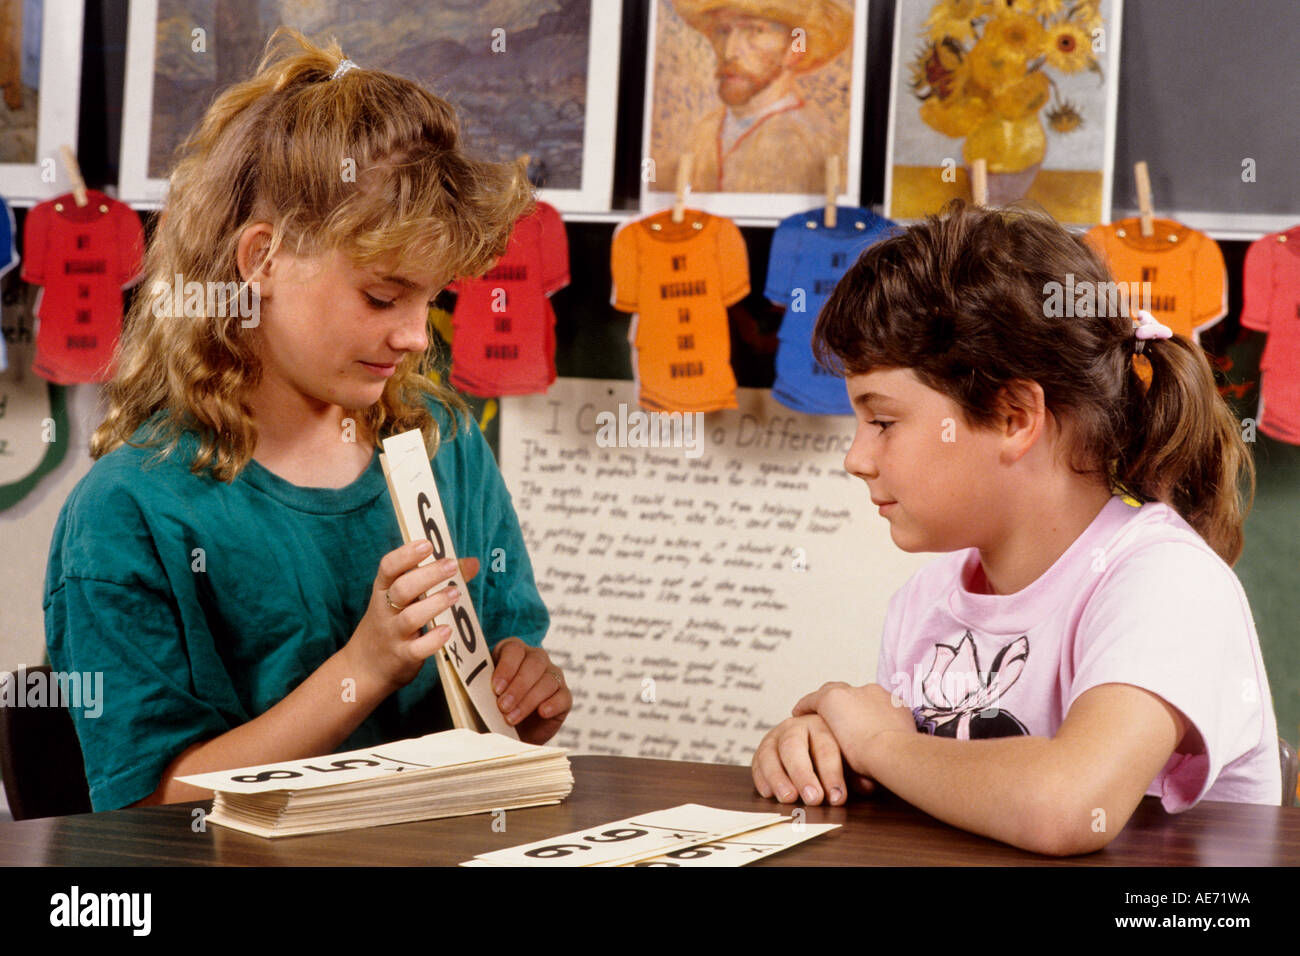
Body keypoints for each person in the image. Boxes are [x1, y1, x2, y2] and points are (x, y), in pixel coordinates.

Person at [43, 28, 570, 812]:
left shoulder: (445, 441)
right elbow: (151, 808)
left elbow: (494, 668)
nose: (416, 336)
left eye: (432, 299)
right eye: (382, 297)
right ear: (262, 260)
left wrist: (522, 689)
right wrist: (365, 667)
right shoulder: (128, 511)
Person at [751, 200, 1283, 856]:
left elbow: (1070, 807)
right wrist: (828, 755)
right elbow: (924, 782)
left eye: (883, 422)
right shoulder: (925, 601)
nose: (855, 459)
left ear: (1014, 417)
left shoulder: (1168, 583)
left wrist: (879, 744)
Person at [671, 0, 851, 192]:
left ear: (795, 48)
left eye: (755, 31)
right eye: (723, 31)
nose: (729, 52)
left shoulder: (817, 143)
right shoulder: (701, 133)